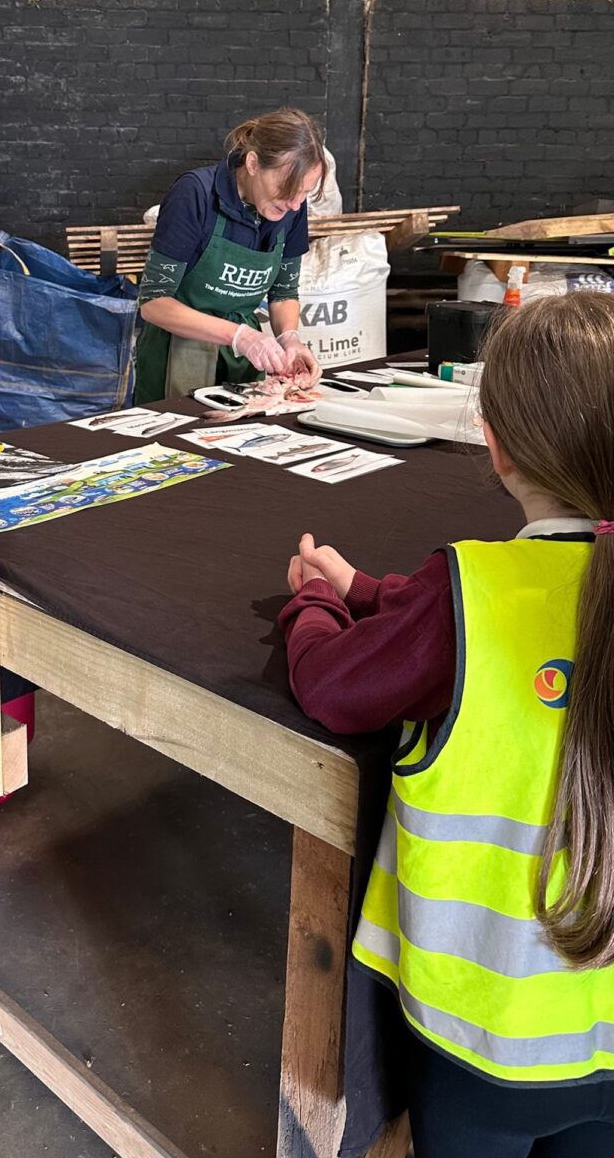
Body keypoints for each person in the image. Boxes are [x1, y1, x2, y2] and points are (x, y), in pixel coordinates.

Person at [280, 293, 614, 1158]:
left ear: (496, 447)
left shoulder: (467, 590)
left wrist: (315, 601)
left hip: (482, 1034)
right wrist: (371, 591)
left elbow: (333, 686)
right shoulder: (475, 599)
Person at [134, 108, 330, 404]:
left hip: (243, 360)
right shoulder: (195, 193)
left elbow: (284, 293)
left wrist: (289, 337)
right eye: (287, 189)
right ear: (253, 163)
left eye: (305, 192)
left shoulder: (292, 208)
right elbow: (153, 304)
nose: (294, 204)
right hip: (177, 353)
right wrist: (240, 336)